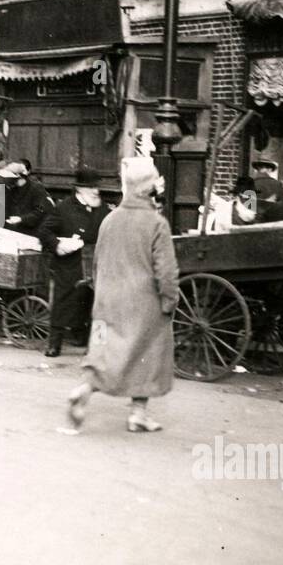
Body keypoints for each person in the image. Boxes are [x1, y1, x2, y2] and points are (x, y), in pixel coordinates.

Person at [66, 158, 179, 433]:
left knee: (105, 351)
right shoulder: (157, 223)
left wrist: (99, 291)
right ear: (149, 188)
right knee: (149, 355)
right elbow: (166, 271)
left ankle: (85, 387)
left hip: (108, 301)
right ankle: (138, 413)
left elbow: (96, 262)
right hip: (144, 303)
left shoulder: (110, 219)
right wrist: (170, 299)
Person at [38, 167, 109, 357]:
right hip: (70, 264)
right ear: (79, 190)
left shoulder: (103, 209)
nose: (96, 191)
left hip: (95, 264)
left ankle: (92, 344)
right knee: (63, 302)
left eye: (97, 187)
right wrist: (57, 245)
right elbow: (44, 231)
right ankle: (54, 344)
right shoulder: (63, 208)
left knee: (94, 304)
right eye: (91, 188)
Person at [2, 160, 52, 236]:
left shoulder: (36, 188)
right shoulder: (10, 189)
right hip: (12, 232)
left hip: (31, 234)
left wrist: (21, 219)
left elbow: (40, 212)